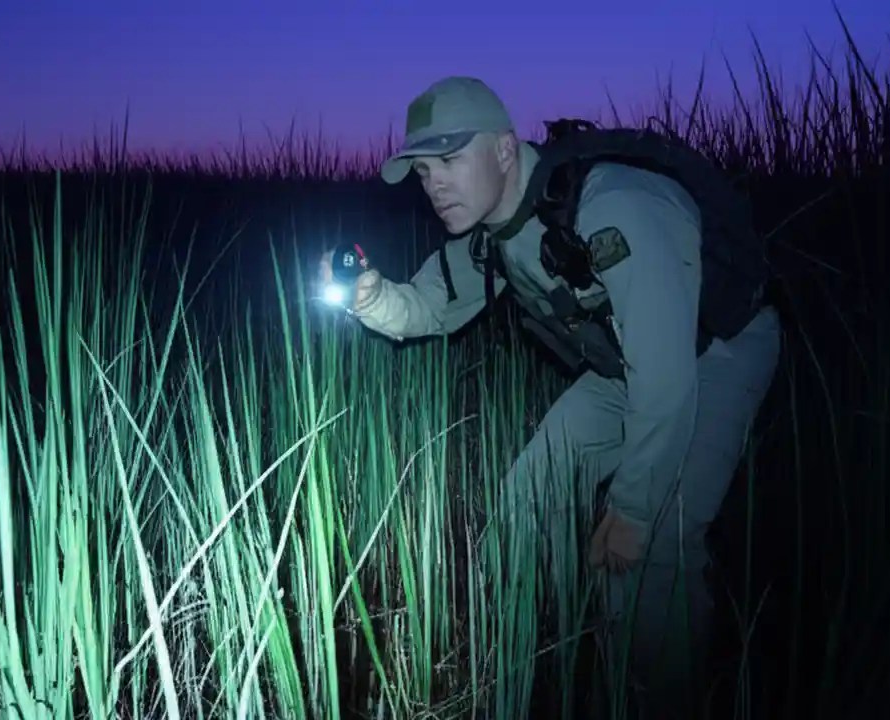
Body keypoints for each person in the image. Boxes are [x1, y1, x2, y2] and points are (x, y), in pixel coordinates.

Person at [319, 75, 781, 717]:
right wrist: (370, 298)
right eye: (424, 170)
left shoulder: (616, 209)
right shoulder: (491, 232)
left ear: (506, 150)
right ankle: (524, 656)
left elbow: (668, 379)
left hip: (718, 352)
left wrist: (632, 509)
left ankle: (663, 697)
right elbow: (425, 307)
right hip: (629, 368)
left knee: (649, 553)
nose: (435, 184)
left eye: (450, 160)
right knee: (525, 503)